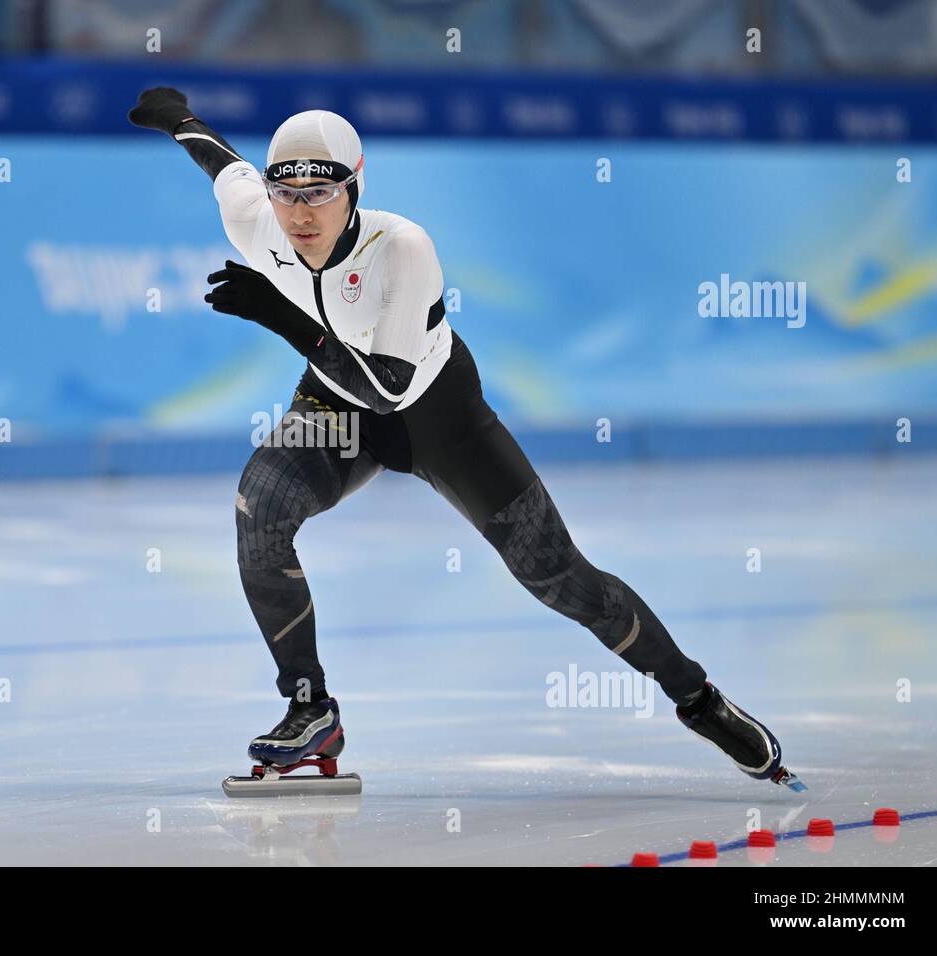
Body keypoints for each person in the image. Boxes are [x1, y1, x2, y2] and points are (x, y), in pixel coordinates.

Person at [127, 87, 804, 793]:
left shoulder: (403, 247)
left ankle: (696, 698)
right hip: (337, 402)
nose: (299, 214)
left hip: (434, 411)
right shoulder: (255, 218)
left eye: (320, 194)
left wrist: (285, 320)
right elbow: (224, 164)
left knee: (561, 578)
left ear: (355, 188)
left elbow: (387, 389)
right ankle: (309, 707)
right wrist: (179, 117)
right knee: (259, 506)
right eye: (285, 194)